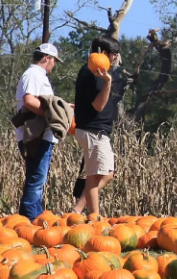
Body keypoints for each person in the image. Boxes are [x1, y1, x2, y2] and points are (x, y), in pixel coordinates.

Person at [71, 36, 122, 216]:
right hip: (93, 130)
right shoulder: (93, 73)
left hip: (98, 131)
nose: (115, 58)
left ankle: (77, 210)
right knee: (94, 177)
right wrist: (108, 81)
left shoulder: (97, 71)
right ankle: (94, 217)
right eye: (114, 54)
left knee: (107, 173)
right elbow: (98, 105)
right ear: (102, 53)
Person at [13, 43, 63, 220]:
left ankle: (29, 218)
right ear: (47, 58)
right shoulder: (34, 74)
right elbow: (29, 100)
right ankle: (31, 219)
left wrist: (62, 107)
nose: (54, 65)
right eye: (54, 61)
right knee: (36, 179)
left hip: (41, 135)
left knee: (36, 179)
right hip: (36, 136)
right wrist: (53, 114)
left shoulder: (36, 74)